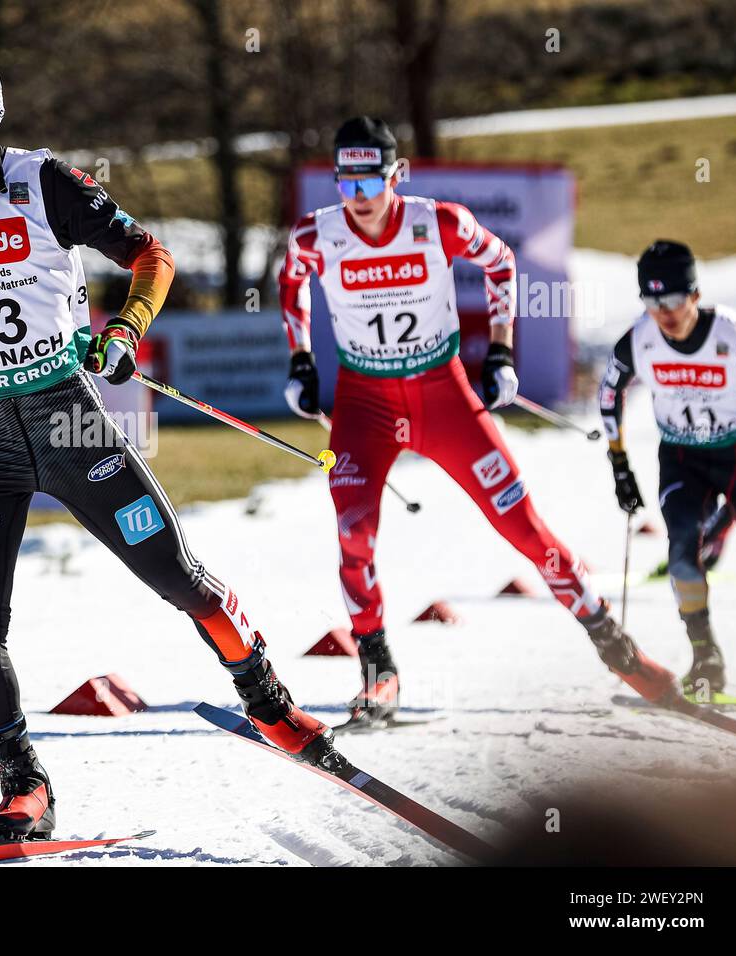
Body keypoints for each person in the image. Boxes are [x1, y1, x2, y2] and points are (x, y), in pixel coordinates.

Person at [0, 45, 344, 845]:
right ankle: (24, 787)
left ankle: (268, 701)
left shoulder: (44, 183)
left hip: (67, 419)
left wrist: (127, 327)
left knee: (177, 576)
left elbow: (152, 255)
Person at [277, 116, 678, 725]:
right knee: (353, 528)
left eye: (371, 183)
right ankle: (378, 669)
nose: (358, 200)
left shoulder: (437, 222)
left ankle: (621, 652)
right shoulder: (317, 234)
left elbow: (502, 261)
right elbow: (292, 283)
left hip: (444, 396)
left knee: (524, 527)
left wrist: (500, 350)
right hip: (366, 403)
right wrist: (302, 361)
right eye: (346, 185)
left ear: (395, 176)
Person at [599, 240, 736, 695]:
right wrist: (619, 462)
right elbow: (610, 393)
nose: (663, 312)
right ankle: (705, 656)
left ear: (695, 295)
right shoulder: (639, 339)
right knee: (683, 547)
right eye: (652, 300)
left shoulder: (735, 335)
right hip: (684, 456)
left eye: (672, 299)